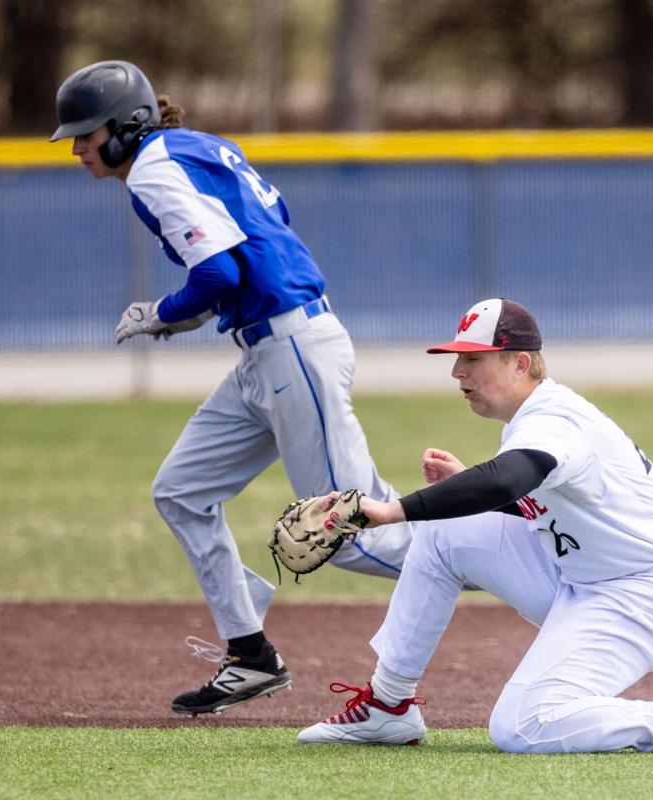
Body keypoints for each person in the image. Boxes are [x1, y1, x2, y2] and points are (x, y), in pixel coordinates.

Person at [49, 60, 414, 716]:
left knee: (351, 537)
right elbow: (250, 247)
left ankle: (512, 555)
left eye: (87, 133)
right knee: (181, 492)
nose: (77, 147)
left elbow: (216, 269)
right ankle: (250, 655)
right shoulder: (196, 147)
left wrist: (160, 312)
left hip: (292, 347)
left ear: (127, 126)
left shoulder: (154, 169)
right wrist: (182, 313)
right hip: (266, 350)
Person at [298, 298, 653, 755]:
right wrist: (472, 484)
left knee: (521, 725)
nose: (456, 372)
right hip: (584, 576)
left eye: (474, 358)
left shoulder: (554, 419)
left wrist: (389, 511)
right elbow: (544, 497)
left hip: (645, 596)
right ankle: (387, 705)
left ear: (520, 363)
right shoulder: (537, 418)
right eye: (457, 359)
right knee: (443, 532)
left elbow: (508, 476)